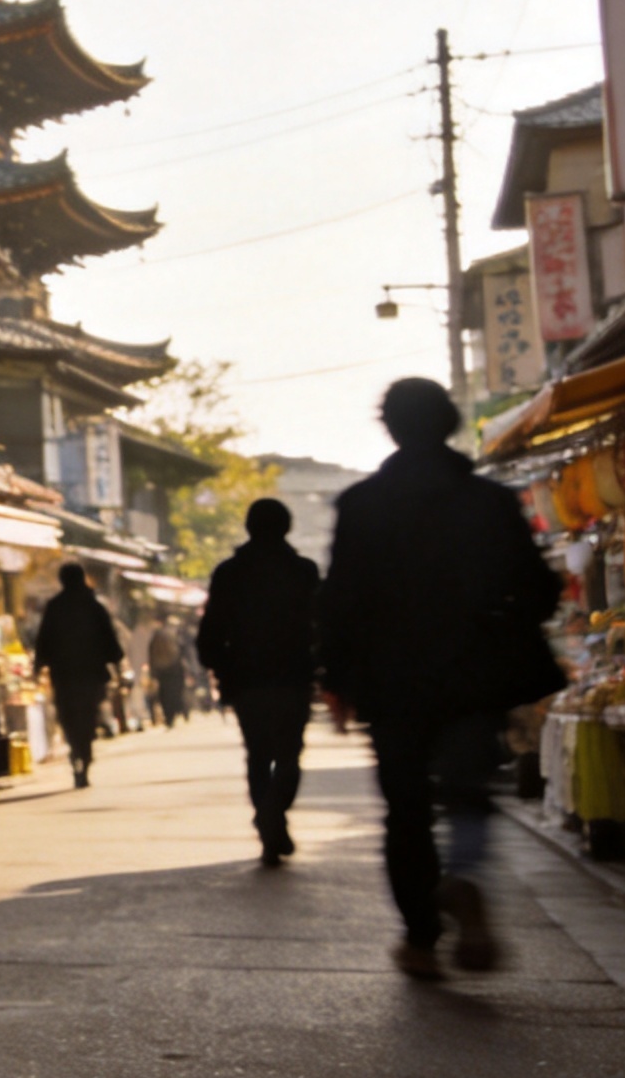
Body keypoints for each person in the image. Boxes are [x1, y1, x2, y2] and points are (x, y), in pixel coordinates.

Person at [320, 378, 562, 982]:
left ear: (390, 427)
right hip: (474, 677)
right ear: (450, 421)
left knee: (406, 811)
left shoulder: (361, 505)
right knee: (469, 792)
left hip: (391, 683)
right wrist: (501, 625)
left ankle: (420, 940)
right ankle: (465, 876)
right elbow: (538, 588)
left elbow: (340, 602)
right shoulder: (490, 502)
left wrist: (337, 680)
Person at [195, 498, 319, 866]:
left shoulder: (229, 573)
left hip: (246, 681)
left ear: (249, 528)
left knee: (258, 755)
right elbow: (322, 625)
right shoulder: (304, 572)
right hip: (293, 678)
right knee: (289, 756)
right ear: (287, 527)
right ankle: (273, 814)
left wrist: (220, 669)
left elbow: (211, 630)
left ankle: (268, 820)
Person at [35, 562, 124, 788]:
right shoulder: (94, 605)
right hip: (91, 675)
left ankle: (77, 751)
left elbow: (43, 639)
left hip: (63, 676)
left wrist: (39, 665)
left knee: (69, 718)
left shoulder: (55, 606)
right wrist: (117, 665)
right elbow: (109, 639)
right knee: (87, 716)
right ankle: (84, 754)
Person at [147, 620, 189, 728]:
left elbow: (151, 658)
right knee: (176, 692)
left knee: (164, 695)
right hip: (173, 669)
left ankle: (169, 717)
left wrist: (153, 673)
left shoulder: (154, 641)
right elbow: (180, 653)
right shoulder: (172, 637)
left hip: (161, 671)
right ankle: (179, 711)